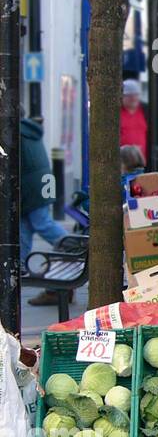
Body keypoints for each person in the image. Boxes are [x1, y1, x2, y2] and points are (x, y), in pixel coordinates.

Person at [18, 107, 69, 305]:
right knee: (25, 227)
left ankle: (73, 246)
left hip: (31, 188)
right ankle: (19, 264)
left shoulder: (15, 132)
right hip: (39, 184)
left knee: (41, 223)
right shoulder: (29, 130)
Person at [120, 78, 148, 160]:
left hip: (142, 161)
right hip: (123, 163)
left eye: (136, 94)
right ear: (122, 96)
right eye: (129, 95)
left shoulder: (146, 111)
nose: (133, 98)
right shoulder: (116, 113)